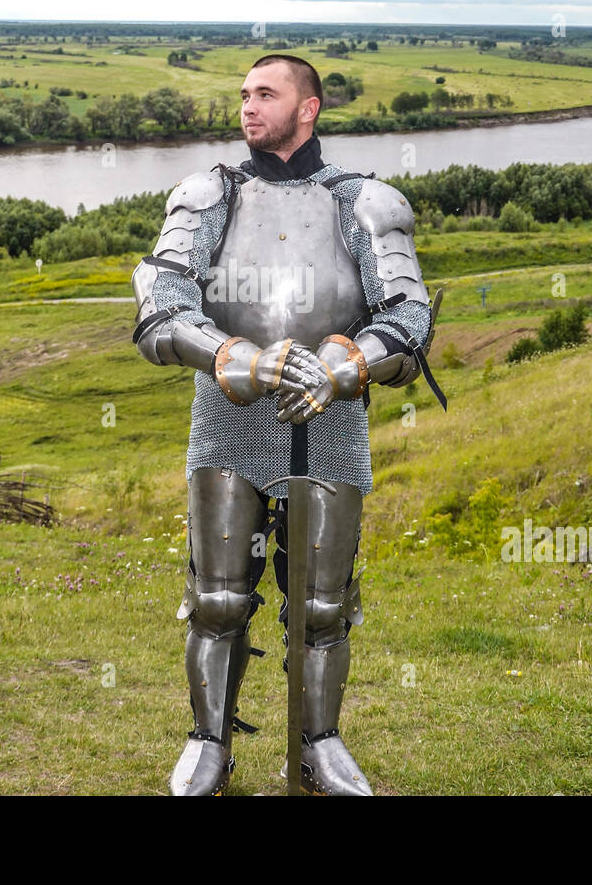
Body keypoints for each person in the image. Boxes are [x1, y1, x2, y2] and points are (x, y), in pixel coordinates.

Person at [131, 53, 445, 795]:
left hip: (329, 421)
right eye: (242, 94)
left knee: (324, 606)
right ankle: (209, 741)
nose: (247, 106)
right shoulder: (210, 195)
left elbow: (409, 316)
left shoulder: (364, 203)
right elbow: (160, 307)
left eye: (265, 94)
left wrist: (344, 366)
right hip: (228, 417)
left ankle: (318, 743)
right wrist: (231, 356)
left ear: (308, 109)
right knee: (216, 599)